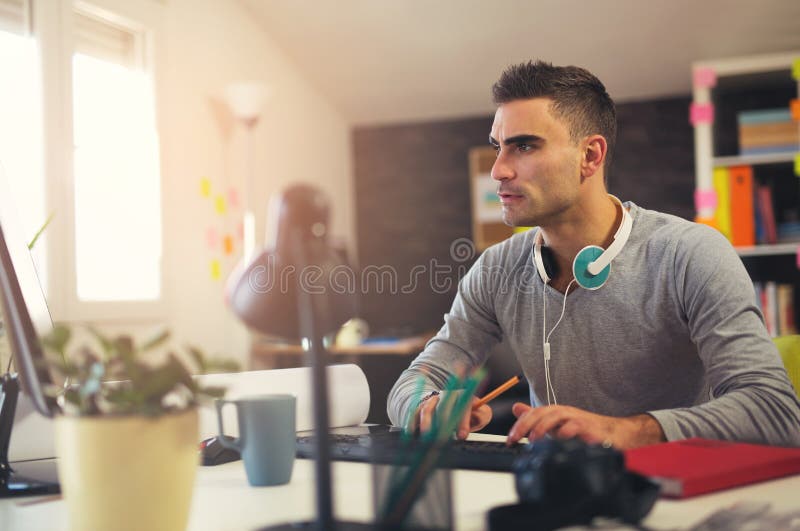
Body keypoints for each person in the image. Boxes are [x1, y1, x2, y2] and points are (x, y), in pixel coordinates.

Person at [387, 60, 800, 449]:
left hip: (678, 495)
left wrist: (619, 431)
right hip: (559, 494)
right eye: (498, 147)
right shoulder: (496, 269)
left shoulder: (690, 254)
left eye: (524, 147)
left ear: (590, 156)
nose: (498, 170)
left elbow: (775, 411)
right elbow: (413, 383)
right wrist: (425, 407)